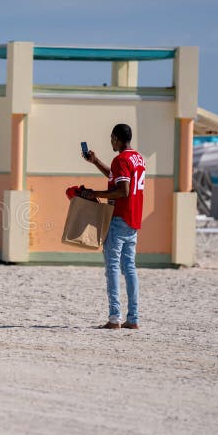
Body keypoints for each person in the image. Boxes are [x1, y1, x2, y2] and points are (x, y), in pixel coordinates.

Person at [81, 123, 145, 329]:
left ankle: (114, 318)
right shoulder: (138, 158)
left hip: (119, 218)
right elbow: (117, 178)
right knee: (130, 268)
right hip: (134, 218)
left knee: (113, 268)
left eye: (111, 138)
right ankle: (133, 318)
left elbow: (122, 190)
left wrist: (94, 194)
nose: (110, 141)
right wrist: (96, 162)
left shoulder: (120, 159)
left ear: (117, 138)